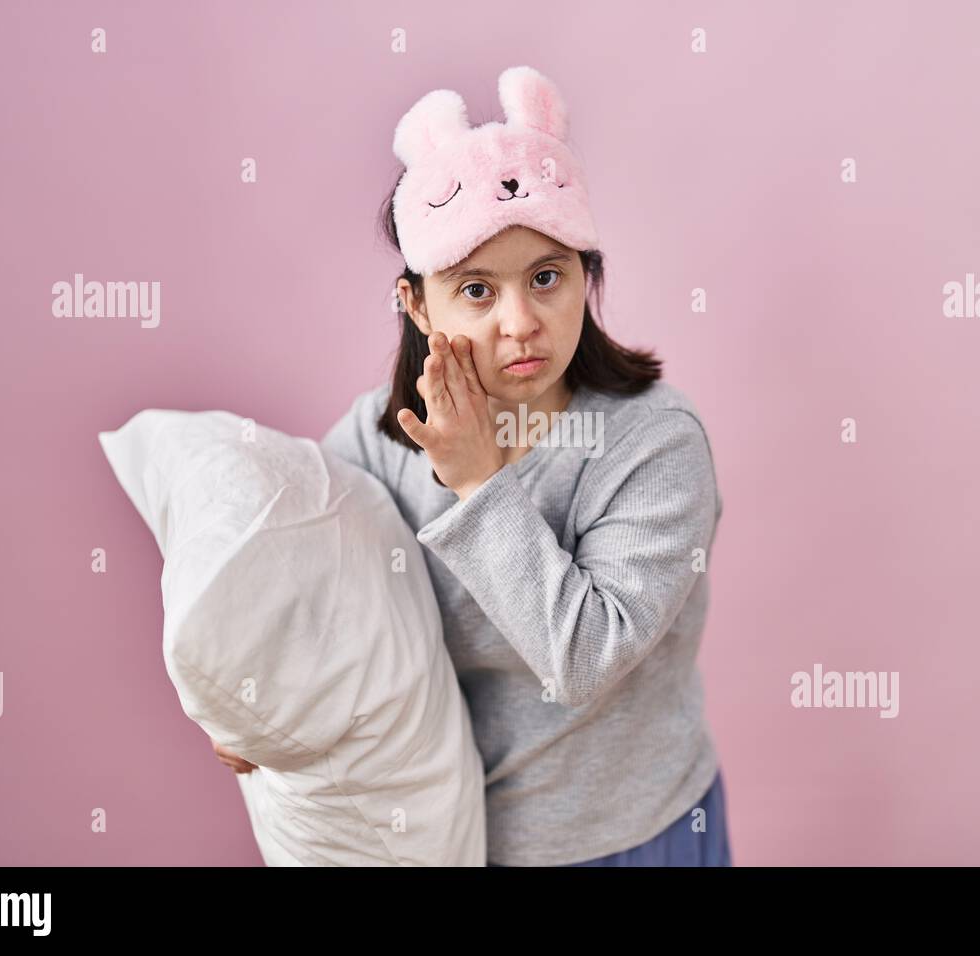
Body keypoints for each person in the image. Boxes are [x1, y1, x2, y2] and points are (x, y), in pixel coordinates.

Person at [215, 65, 731, 867]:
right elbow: (302, 577)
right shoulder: (379, 437)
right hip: (447, 836)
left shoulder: (654, 443)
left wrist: (479, 479)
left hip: (631, 833)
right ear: (419, 304)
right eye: (477, 291)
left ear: (588, 277)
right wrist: (251, 695)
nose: (520, 323)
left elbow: (586, 658)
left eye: (547, 279)